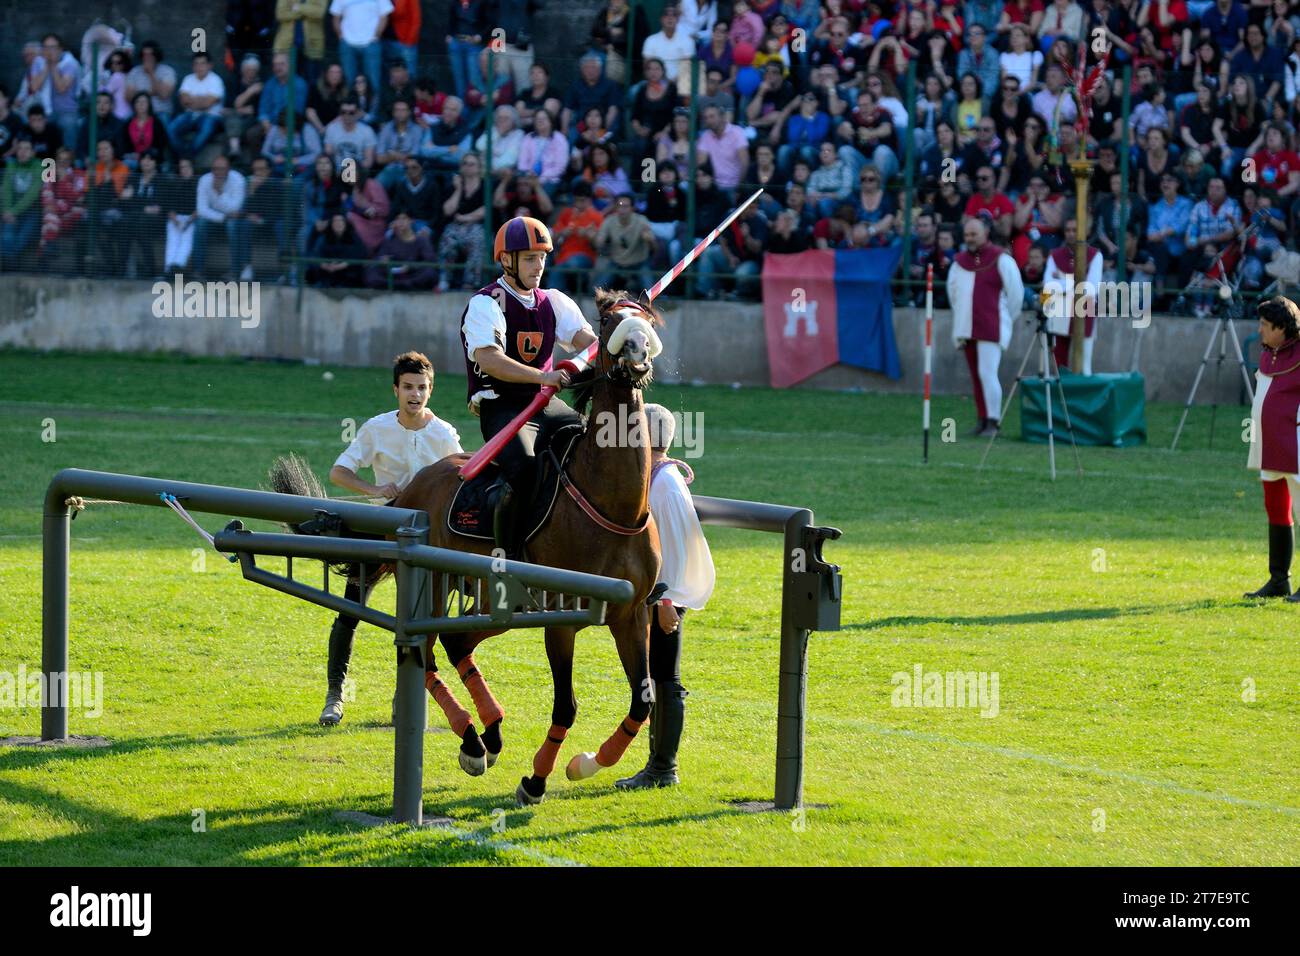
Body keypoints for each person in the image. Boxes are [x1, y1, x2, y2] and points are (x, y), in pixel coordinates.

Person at [320, 351, 463, 724]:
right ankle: (335, 696)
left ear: (431, 390)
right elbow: (339, 472)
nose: (414, 395)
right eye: (408, 387)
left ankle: (405, 700)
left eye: (421, 388)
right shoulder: (376, 428)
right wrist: (374, 487)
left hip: (426, 540)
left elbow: (463, 481)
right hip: (381, 527)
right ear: (395, 390)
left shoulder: (445, 434)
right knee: (350, 609)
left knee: (416, 620)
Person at [458, 217, 600, 561]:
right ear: (507, 261)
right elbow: (490, 361)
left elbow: (590, 345)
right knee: (522, 467)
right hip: (503, 407)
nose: (538, 266)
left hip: (547, 405)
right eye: (529, 258)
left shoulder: (554, 301)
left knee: (591, 448)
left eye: (542, 257)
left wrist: (621, 334)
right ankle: (508, 556)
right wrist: (543, 377)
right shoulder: (486, 303)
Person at [615, 403, 715, 790]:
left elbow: (672, 551)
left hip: (666, 597)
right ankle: (657, 766)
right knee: (656, 676)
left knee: (665, 677)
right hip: (659, 596)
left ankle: (662, 768)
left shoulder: (663, 485)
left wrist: (665, 602)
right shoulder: (655, 477)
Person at [946, 215, 1024, 437]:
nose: (970, 238)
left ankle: (993, 420)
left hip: (991, 326)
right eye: (967, 234)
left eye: (974, 234)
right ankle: (982, 418)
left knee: (987, 373)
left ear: (986, 233)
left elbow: (1016, 295)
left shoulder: (1001, 260)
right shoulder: (959, 263)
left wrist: (1004, 319)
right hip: (967, 326)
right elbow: (954, 294)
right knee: (976, 375)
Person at [1043, 215, 1104, 375]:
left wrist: (1062, 280)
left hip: (1085, 309)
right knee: (1059, 364)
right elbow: (1048, 286)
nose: (1071, 233)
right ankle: (1059, 398)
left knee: (1084, 366)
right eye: (1068, 230)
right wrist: (1077, 281)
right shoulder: (1054, 255)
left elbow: (1092, 289)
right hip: (1060, 310)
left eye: (1075, 230)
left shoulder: (1095, 255)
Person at [169, 52, 226, 161]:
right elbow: (183, 101)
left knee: (206, 130)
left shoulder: (216, 80)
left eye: (203, 63)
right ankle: (183, 156)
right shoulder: (188, 79)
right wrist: (203, 100)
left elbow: (208, 104)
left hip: (211, 116)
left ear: (210, 65)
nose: (199, 67)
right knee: (171, 128)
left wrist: (193, 101)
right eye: (196, 64)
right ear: (193, 66)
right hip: (190, 115)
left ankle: (186, 158)